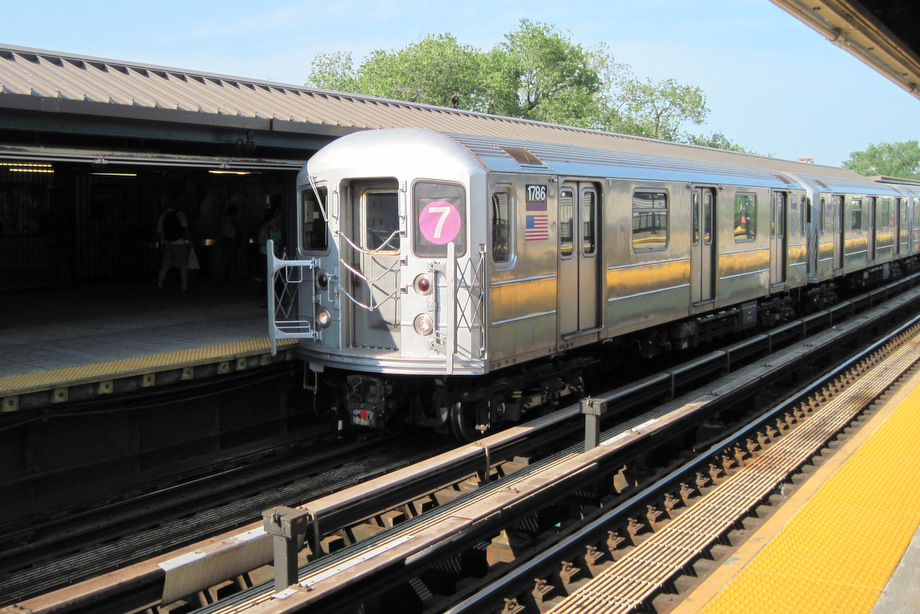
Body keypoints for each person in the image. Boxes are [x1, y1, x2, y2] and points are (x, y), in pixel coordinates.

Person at [157, 206, 192, 291]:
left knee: (165, 266)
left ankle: (159, 284)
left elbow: (159, 231)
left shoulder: (163, 215)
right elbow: (185, 229)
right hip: (179, 242)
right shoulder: (179, 214)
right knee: (183, 266)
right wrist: (189, 242)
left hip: (167, 243)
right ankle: (184, 287)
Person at [256, 201, 283, 307]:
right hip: (265, 253)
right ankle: (263, 299)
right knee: (266, 277)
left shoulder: (279, 226)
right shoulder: (266, 226)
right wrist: (272, 242)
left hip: (275, 253)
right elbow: (259, 240)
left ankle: (276, 299)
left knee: (277, 277)